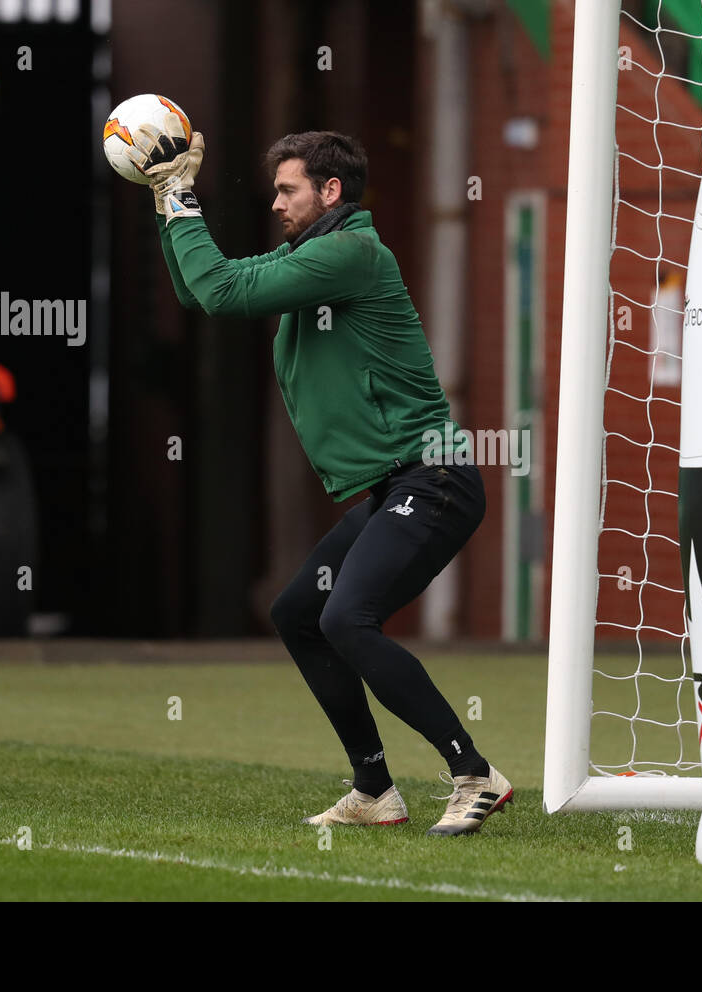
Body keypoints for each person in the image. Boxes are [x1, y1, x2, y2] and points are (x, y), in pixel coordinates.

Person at [127, 122, 511, 835]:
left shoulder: (349, 253)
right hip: (399, 486)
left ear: (330, 191)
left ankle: (473, 773)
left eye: (287, 188)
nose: (275, 202)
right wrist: (165, 203)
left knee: (346, 619)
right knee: (299, 614)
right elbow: (198, 292)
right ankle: (374, 790)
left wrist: (181, 199)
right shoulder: (315, 255)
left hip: (435, 479)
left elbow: (219, 290)